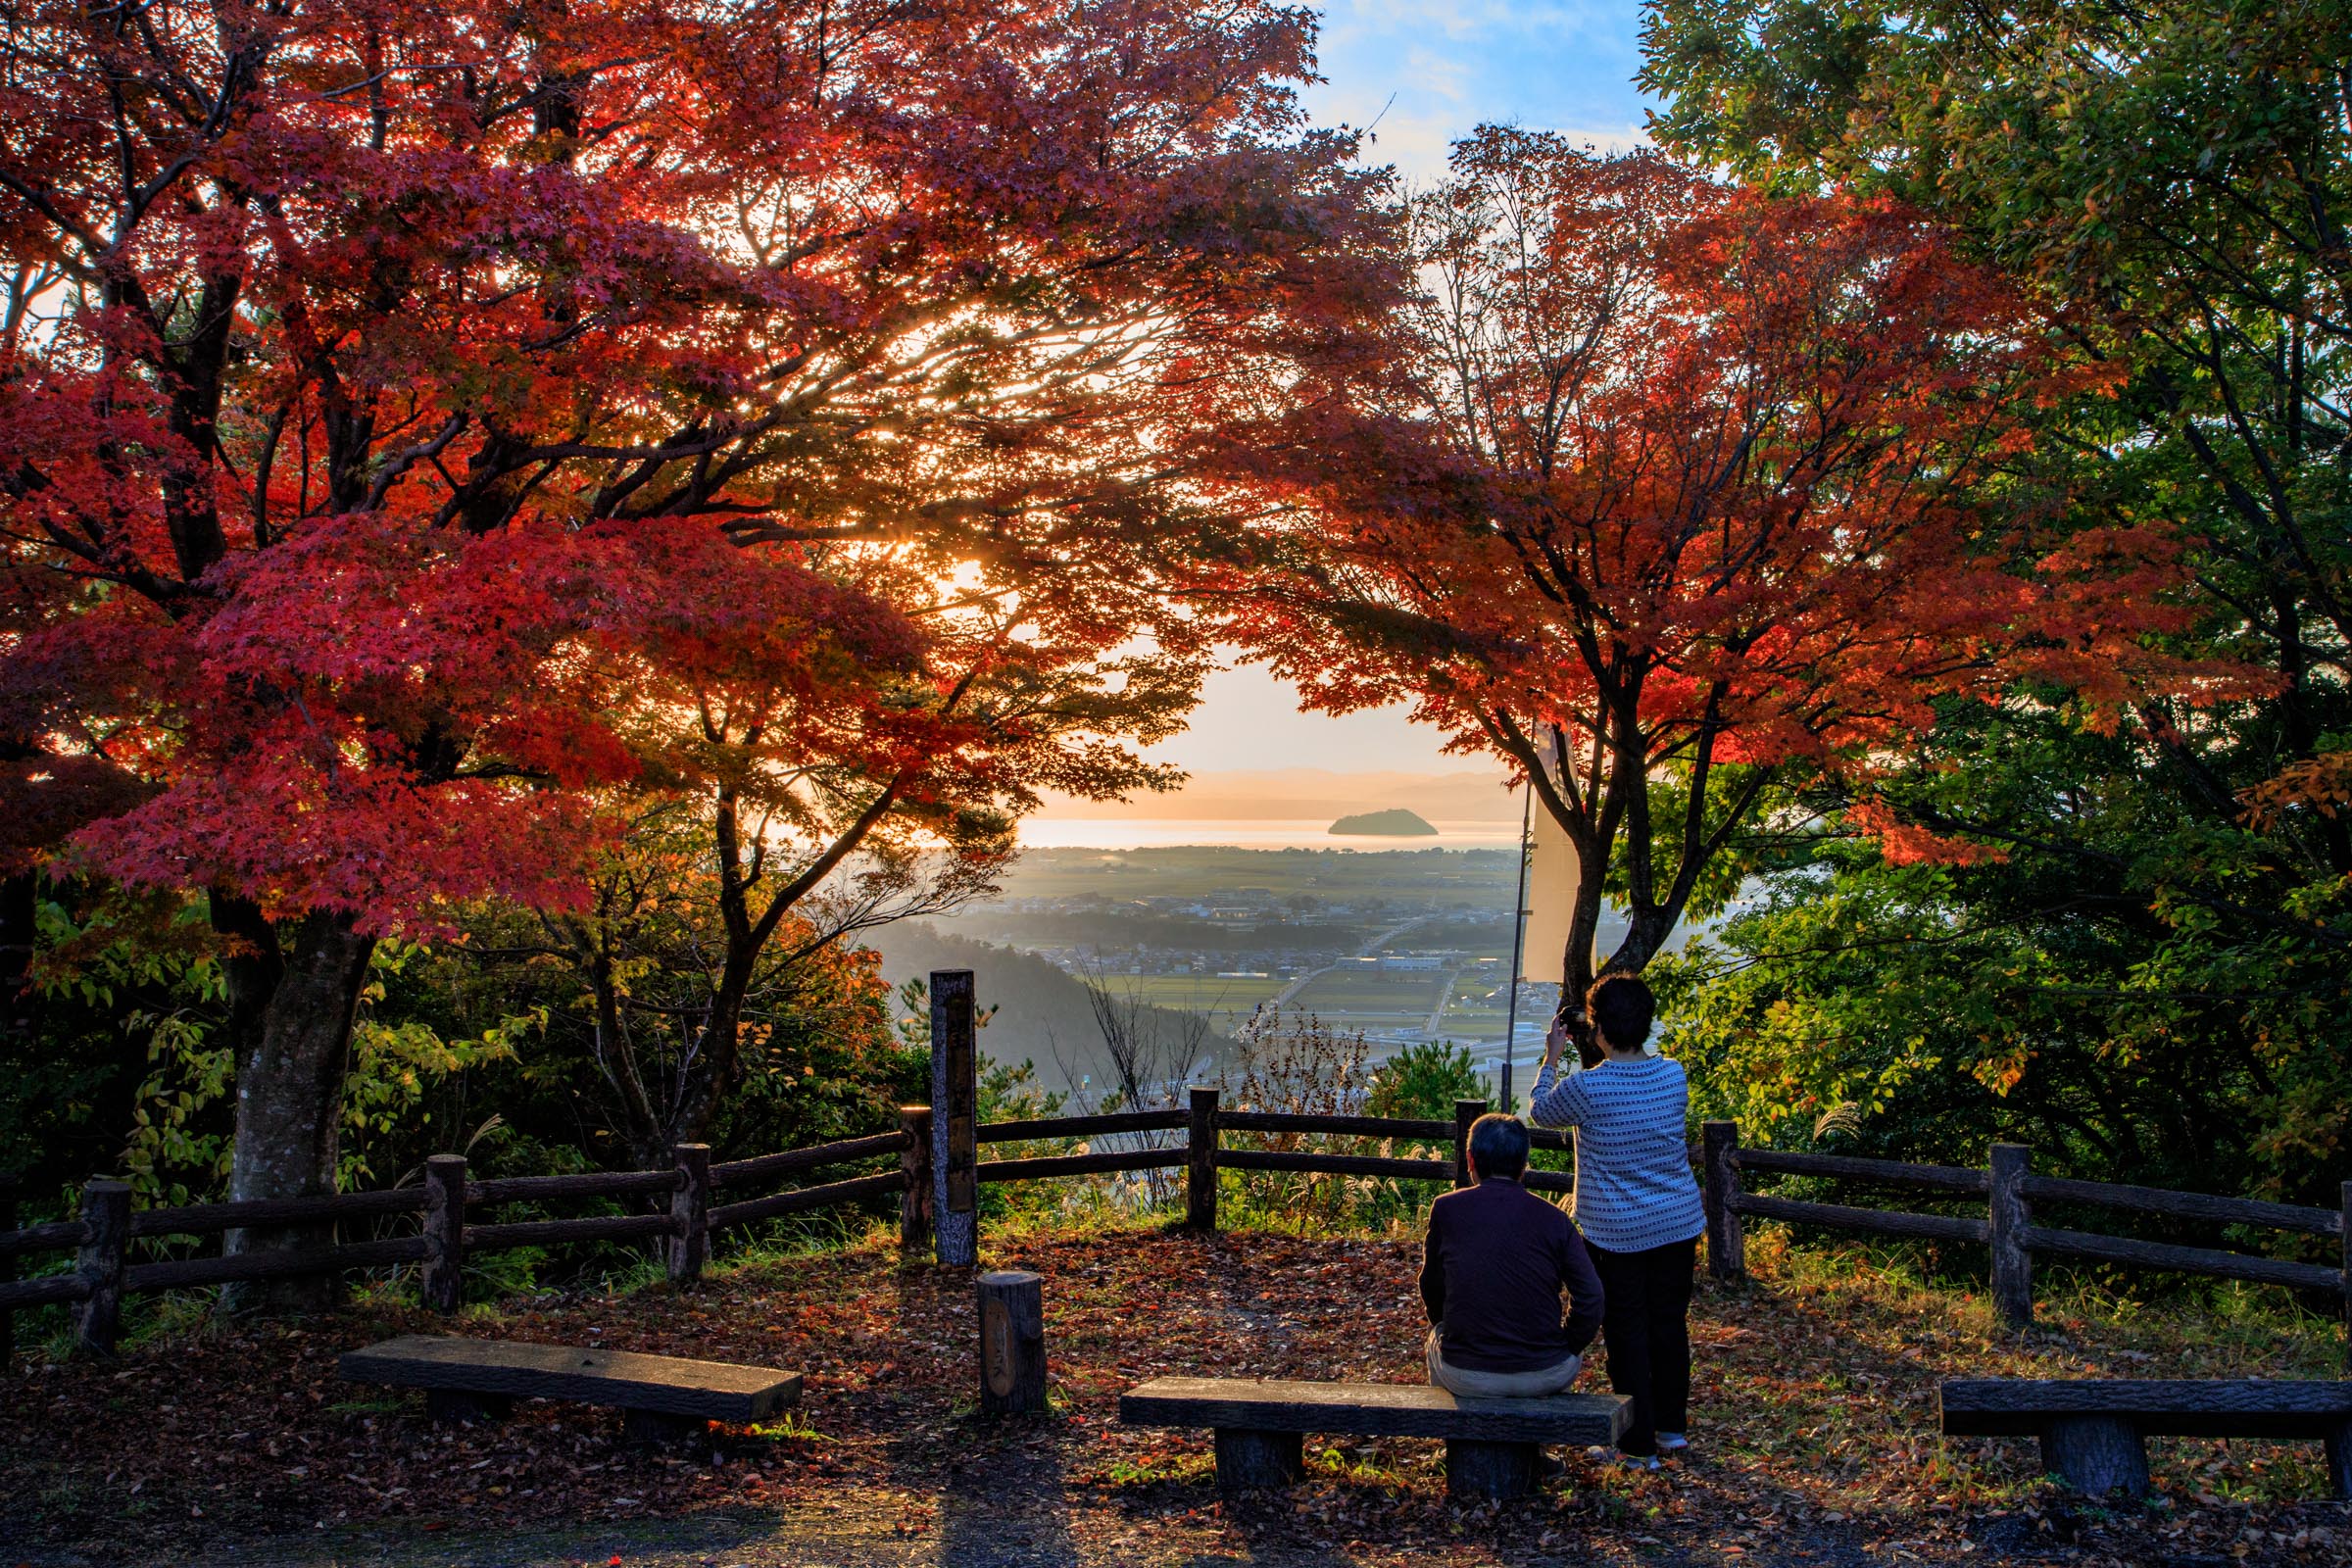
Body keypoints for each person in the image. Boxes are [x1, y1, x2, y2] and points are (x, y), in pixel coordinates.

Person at [1529, 973, 1706, 1469]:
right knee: (1669, 1324)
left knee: (1626, 1331)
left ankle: (1635, 1445)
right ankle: (1671, 1430)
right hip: (1677, 1221)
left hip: (1616, 1232)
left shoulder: (1589, 1087)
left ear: (1599, 1028)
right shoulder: (1673, 1074)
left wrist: (1552, 1056)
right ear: (1646, 1024)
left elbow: (1541, 1111)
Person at [1420, 1111, 1605, 1399]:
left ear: (1470, 1160)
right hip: (1547, 1370)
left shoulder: (1447, 1209)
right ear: (1524, 1164)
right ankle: (1536, 1440)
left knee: (1435, 1338)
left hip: (1467, 1372)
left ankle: (1456, 1435)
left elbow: (1432, 1285)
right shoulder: (1556, 1219)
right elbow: (1591, 1296)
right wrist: (1566, 1344)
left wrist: (1447, 1327)